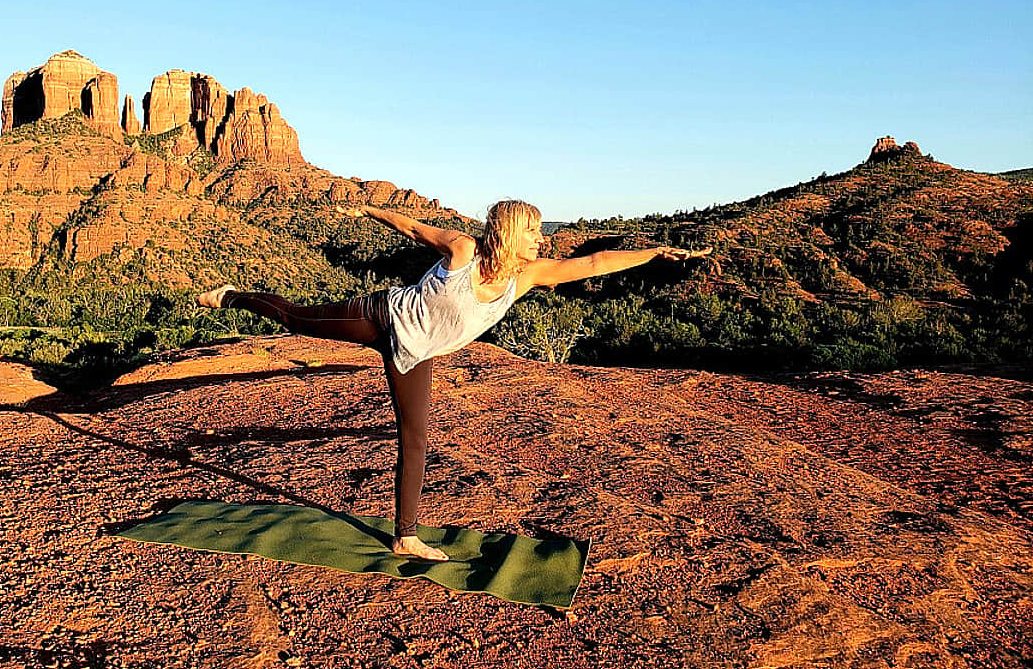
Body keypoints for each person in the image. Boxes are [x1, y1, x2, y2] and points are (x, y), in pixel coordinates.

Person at [197, 200, 711, 560]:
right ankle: (233, 296)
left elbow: (594, 262)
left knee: (415, 440)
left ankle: (405, 536)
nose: (542, 239)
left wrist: (652, 254)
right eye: (533, 230)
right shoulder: (464, 251)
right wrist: (369, 211)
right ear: (510, 232)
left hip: (415, 351)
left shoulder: (524, 277)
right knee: (297, 319)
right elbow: (414, 228)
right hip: (381, 317)